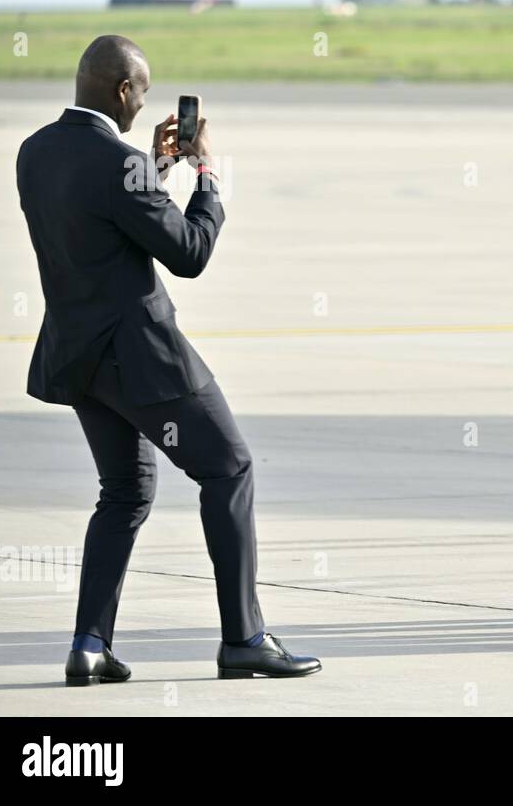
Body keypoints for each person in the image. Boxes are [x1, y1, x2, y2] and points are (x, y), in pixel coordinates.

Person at [17, 35, 321, 682]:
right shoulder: (115, 161)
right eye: (142, 93)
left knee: (124, 491)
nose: (143, 106)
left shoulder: (35, 152)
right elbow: (189, 251)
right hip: (142, 358)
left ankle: (89, 646)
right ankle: (244, 637)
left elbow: (96, 228)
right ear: (123, 91)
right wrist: (206, 173)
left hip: (77, 358)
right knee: (230, 467)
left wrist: (150, 172)